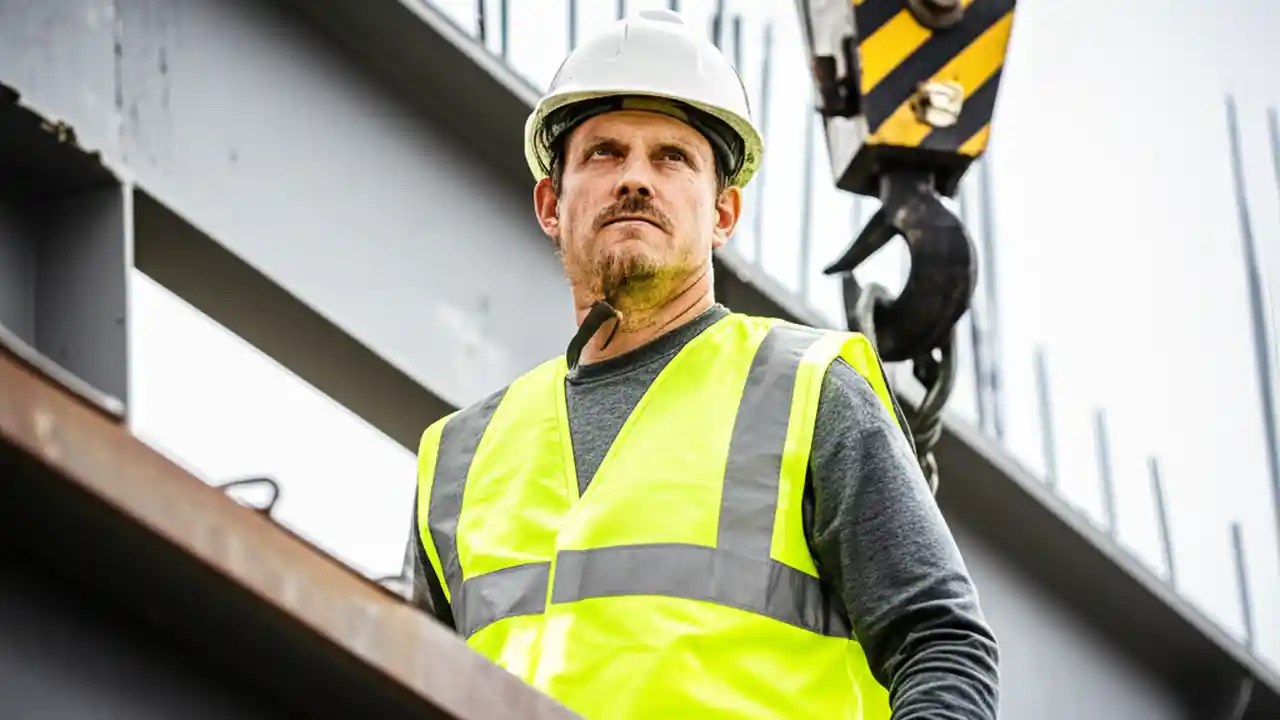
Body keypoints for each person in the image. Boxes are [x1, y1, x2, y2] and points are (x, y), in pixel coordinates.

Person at [407, 9, 998, 719]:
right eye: (604, 153)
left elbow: (941, 644)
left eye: (672, 158)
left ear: (723, 213)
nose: (635, 179)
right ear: (549, 204)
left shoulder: (808, 392)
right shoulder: (459, 460)